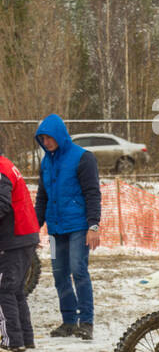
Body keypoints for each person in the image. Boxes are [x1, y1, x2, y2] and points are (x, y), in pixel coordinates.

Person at [33, 114, 101, 340]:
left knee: (78, 271)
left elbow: (92, 193)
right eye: (42, 138)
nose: (46, 142)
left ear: (59, 135)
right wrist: (34, 226)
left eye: (49, 137)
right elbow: (42, 197)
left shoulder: (83, 157)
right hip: (54, 229)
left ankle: (86, 322)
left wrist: (93, 225)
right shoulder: (46, 162)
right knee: (59, 274)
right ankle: (69, 321)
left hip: (78, 227)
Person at [0, 150, 40, 352]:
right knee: (15, 291)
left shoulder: (1, 169)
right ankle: (25, 338)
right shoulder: (6, 164)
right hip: (24, 235)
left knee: (4, 290)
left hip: (14, 238)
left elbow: (2, 202)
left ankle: (11, 341)